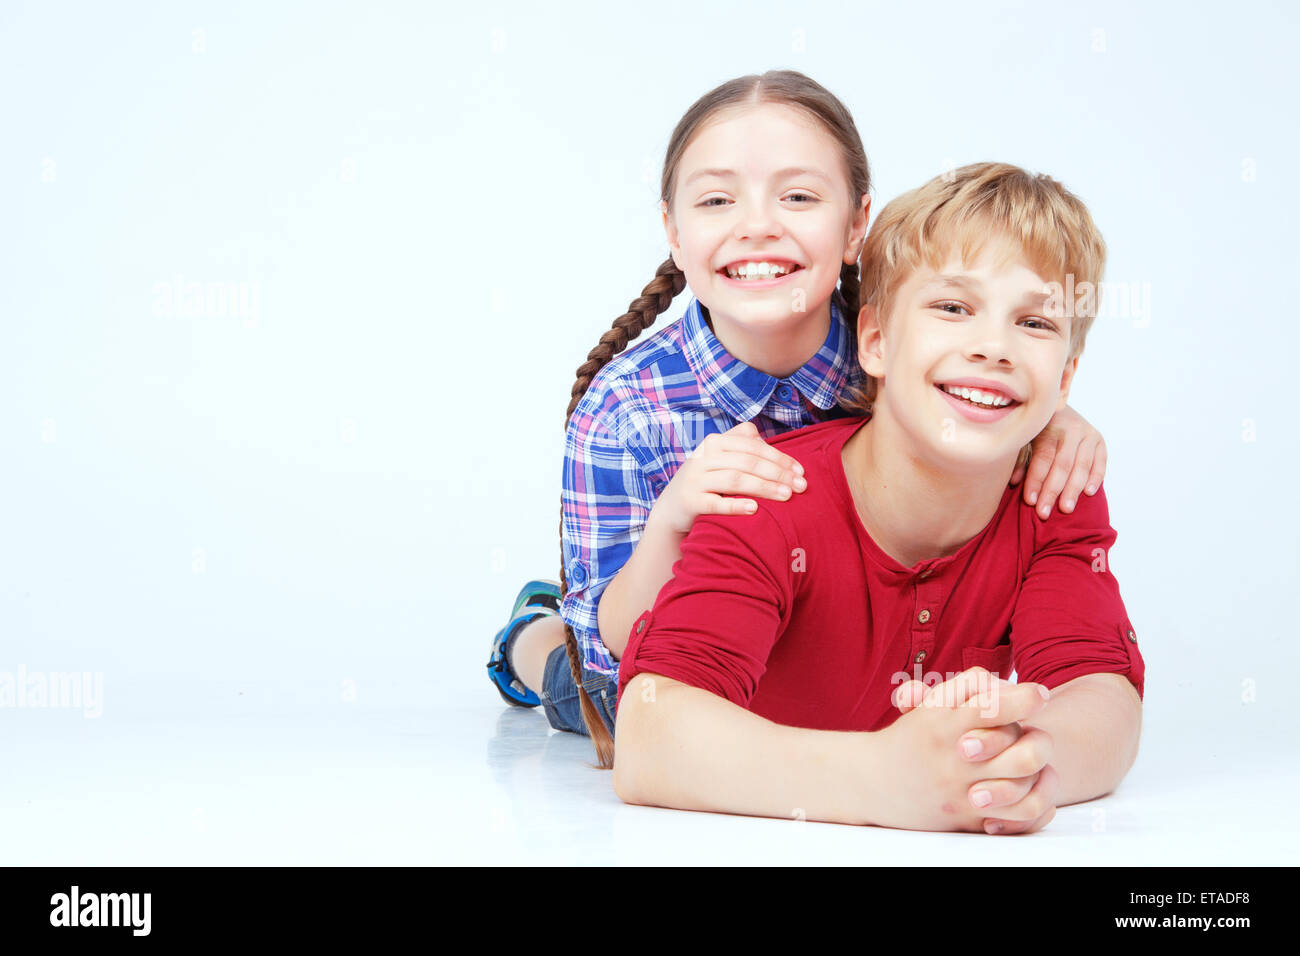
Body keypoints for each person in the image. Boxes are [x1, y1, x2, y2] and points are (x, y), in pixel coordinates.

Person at [486, 71, 1110, 772]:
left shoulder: (898, 353)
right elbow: (618, 647)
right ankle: (529, 632)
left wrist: (1053, 420)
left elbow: (980, 370)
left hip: (820, 655)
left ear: (855, 227)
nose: (757, 224)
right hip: (651, 632)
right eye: (718, 200)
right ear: (675, 233)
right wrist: (670, 520)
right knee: (570, 685)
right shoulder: (626, 409)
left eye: (799, 196)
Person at [612, 161, 1146, 835]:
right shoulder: (768, 494)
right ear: (875, 341)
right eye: (953, 307)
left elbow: (1104, 697)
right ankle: (538, 629)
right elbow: (646, 734)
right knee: (564, 680)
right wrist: (884, 781)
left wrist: (1004, 761)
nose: (994, 348)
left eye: (1035, 323)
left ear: (1065, 378)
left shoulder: (1054, 492)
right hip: (610, 668)